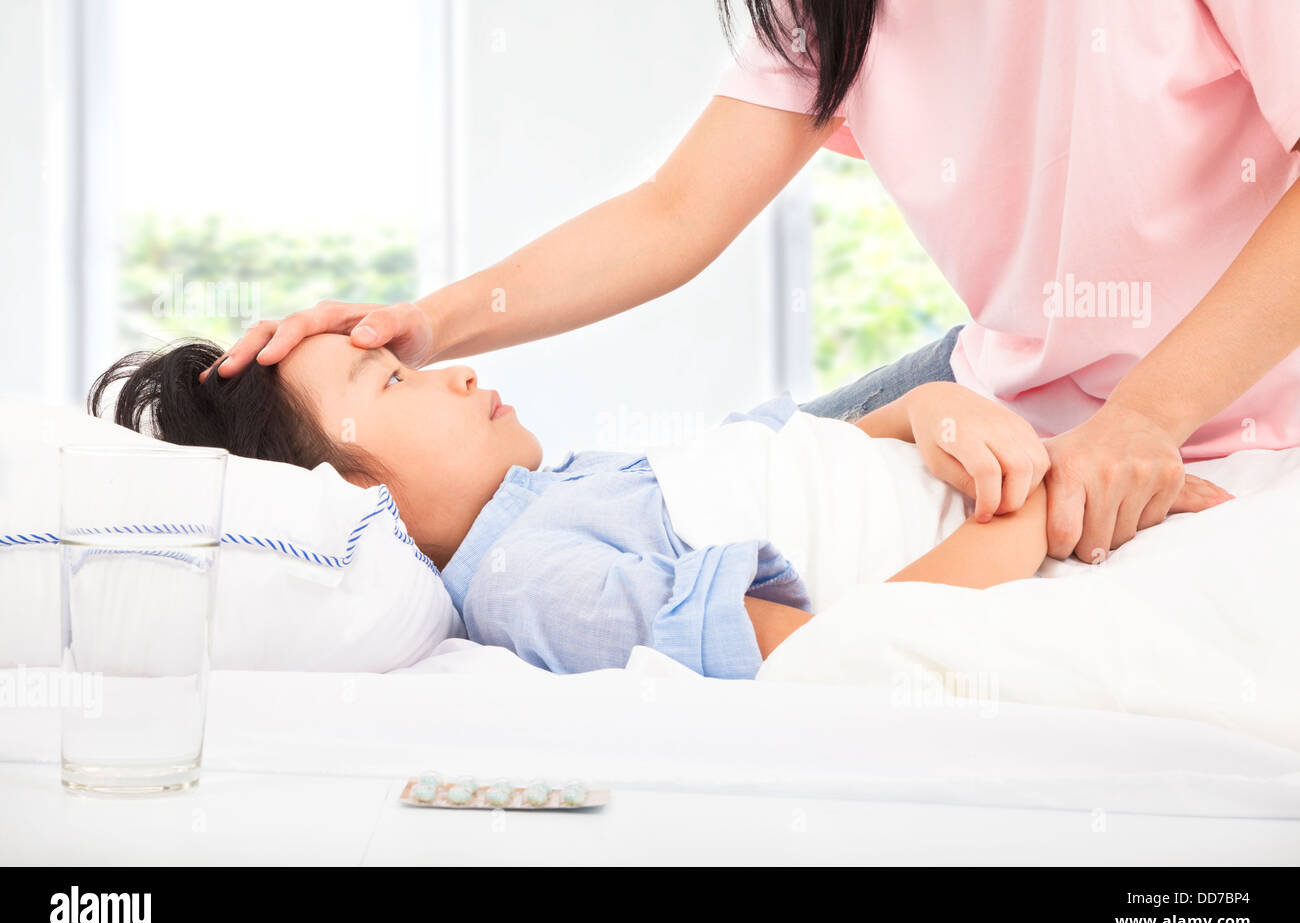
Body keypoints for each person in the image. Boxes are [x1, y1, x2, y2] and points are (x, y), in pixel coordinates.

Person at [201, 0, 1299, 565]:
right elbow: (675, 215)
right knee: (670, 507)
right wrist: (423, 325)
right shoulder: (829, 12)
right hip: (1009, 383)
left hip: (1237, 398)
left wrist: (1147, 419)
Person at [92, 334, 1231, 678]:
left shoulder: (556, 489)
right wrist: (1052, 507)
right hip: (1034, 539)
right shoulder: (534, 579)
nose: (453, 370)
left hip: (1017, 492)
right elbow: (834, 651)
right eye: (391, 382)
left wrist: (928, 407)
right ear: (348, 490)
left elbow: (817, 450)